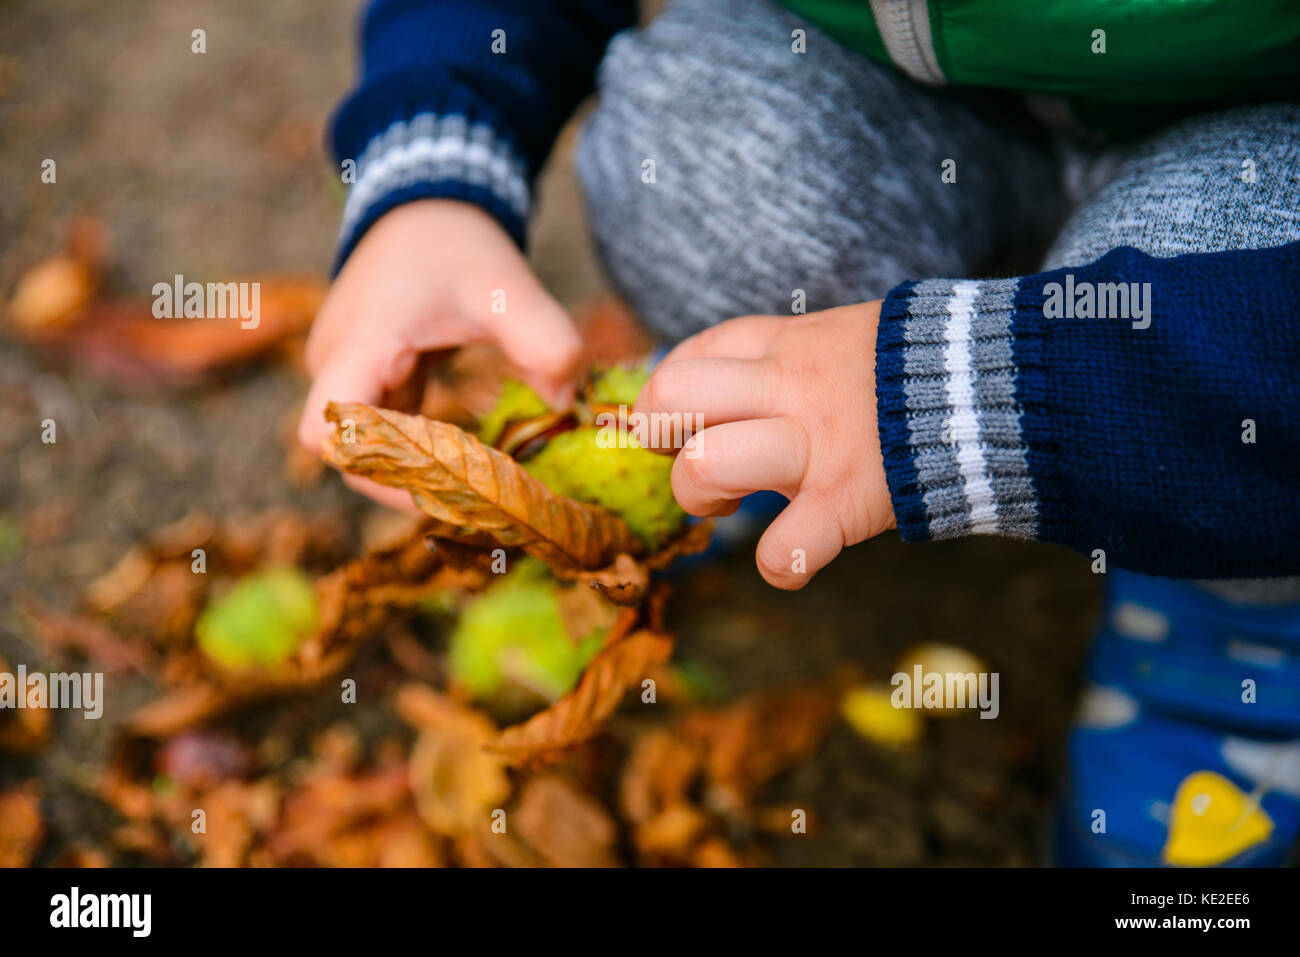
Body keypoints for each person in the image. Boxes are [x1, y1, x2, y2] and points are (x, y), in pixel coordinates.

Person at [299, 0, 1300, 865]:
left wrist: (966, 393)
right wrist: (431, 173)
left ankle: (1236, 621)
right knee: (702, 161)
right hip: (906, 85)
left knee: (1218, 267)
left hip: (1257, 133)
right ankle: (776, 425)